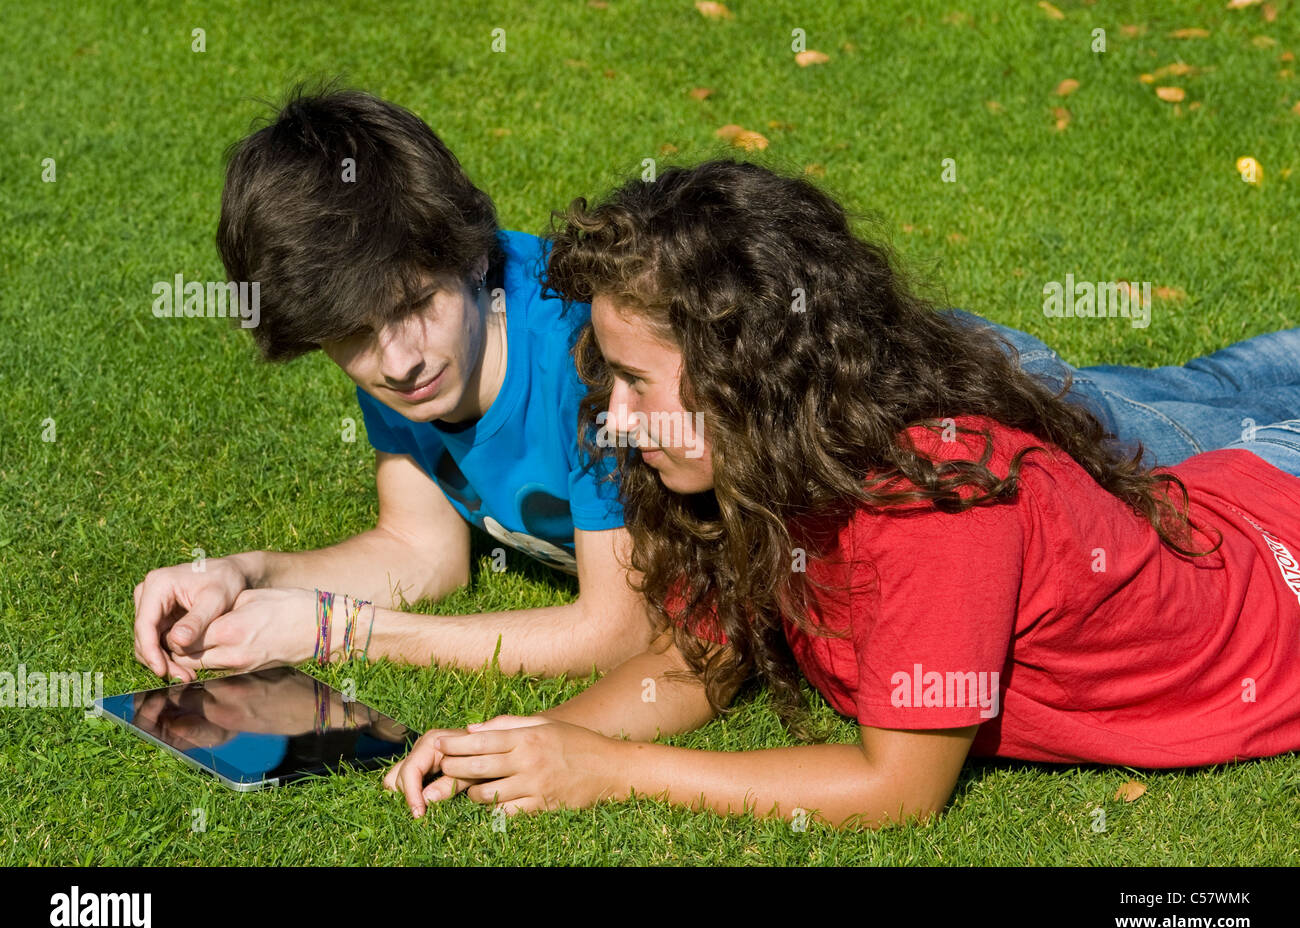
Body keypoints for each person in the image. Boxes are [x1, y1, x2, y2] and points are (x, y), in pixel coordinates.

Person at [384, 159, 1300, 828]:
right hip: (1215, 499)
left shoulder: (934, 504)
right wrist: (515, 743)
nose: (614, 420)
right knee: (1221, 386)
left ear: (744, 372)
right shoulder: (757, 466)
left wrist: (611, 770)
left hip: (1278, 557)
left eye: (635, 381)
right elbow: (695, 660)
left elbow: (895, 788)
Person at [132, 87, 652, 682]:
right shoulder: (408, 352)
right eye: (352, 334)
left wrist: (340, 631)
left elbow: (620, 630)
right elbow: (423, 552)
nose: (400, 362)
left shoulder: (585, 351)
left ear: (473, 256)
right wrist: (242, 574)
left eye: (418, 303)